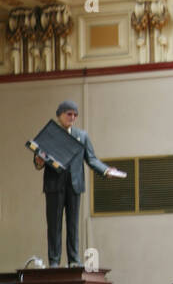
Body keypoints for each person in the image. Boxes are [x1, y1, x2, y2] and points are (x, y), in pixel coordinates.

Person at [34, 100, 122, 267]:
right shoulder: (50, 133)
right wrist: (38, 161)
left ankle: (74, 259)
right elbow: (38, 159)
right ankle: (54, 260)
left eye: (75, 115)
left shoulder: (82, 136)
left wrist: (105, 170)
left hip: (74, 184)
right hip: (54, 185)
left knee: (73, 224)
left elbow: (91, 159)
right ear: (59, 115)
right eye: (69, 114)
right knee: (54, 224)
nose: (72, 117)